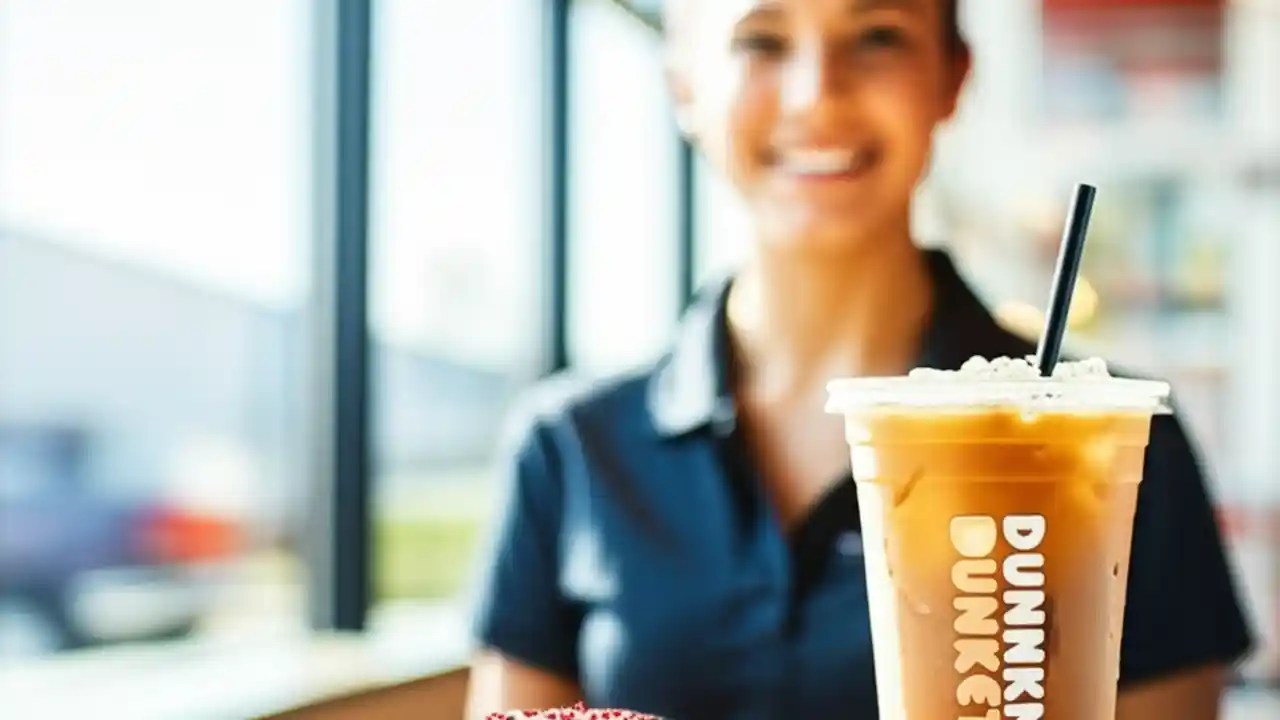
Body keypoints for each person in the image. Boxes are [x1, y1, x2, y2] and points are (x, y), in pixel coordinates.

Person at [466, 1, 1253, 718]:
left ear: (952, 77)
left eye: (877, 36)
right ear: (683, 86)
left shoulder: (1104, 438)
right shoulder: (569, 447)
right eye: (761, 41)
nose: (818, 93)